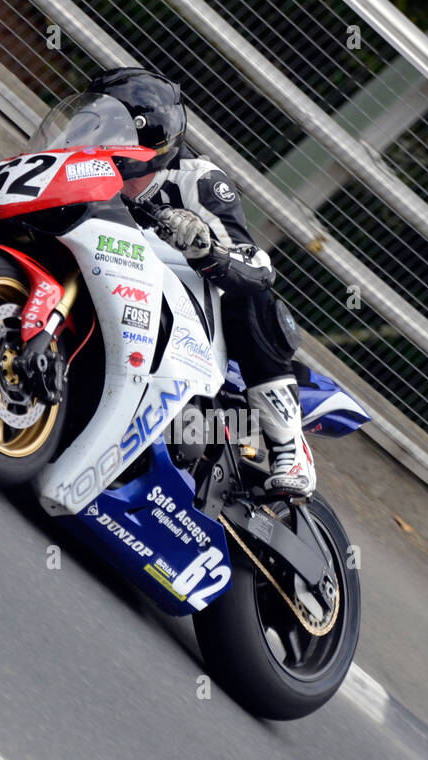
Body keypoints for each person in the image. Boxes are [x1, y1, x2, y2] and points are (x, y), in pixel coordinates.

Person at [86, 67, 315, 496]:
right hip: (115, 290)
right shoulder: (88, 164)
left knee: (250, 299)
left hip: (192, 322)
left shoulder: (200, 181)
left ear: (150, 133)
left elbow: (257, 264)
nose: (103, 134)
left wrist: (207, 250)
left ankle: (290, 447)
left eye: (116, 126)